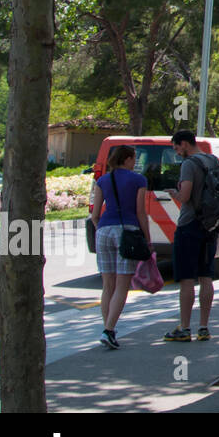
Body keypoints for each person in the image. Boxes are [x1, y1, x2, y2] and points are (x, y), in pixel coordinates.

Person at [89, 144, 149, 349]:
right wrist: (146, 238)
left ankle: (108, 329)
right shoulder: (139, 180)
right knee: (123, 286)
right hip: (127, 232)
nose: (135, 162)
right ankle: (108, 331)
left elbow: (95, 214)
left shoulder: (102, 180)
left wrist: (102, 228)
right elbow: (140, 212)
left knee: (108, 285)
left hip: (103, 230)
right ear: (128, 159)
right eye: (134, 158)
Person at [164, 130, 214, 342]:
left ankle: (185, 328)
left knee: (186, 279)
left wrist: (173, 194)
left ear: (184, 144)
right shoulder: (213, 161)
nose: (176, 152)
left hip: (190, 224)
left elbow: (185, 196)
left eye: (176, 147)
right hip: (211, 225)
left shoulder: (189, 164)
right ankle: (204, 327)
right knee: (206, 277)